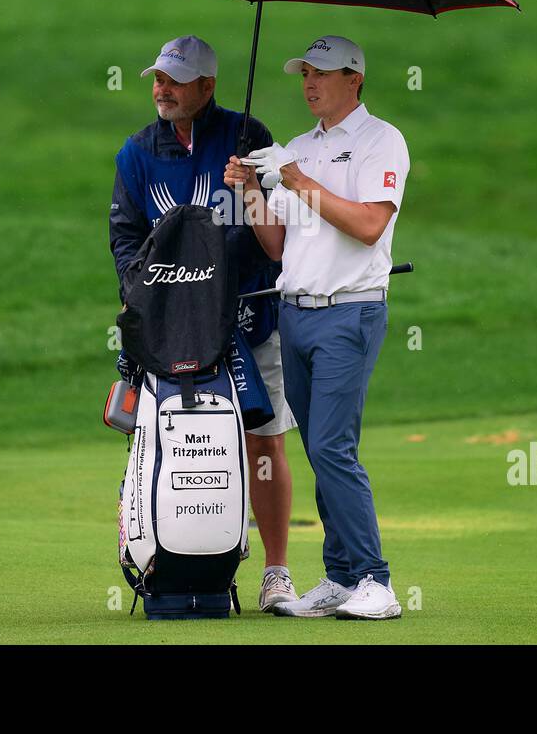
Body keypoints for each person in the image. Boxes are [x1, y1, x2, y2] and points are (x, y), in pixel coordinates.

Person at [109, 34, 300, 613]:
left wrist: (248, 185)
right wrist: (144, 302)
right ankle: (174, 560)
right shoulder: (137, 152)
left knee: (262, 442)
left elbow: (275, 241)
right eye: (157, 78)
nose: (160, 89)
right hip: (171, 330)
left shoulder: (249, 137)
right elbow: (125, 240)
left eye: (174, 80)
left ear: (207, 87)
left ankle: (274, 572)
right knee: (169, 437)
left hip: (249, 316)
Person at [225, 35, 409, 620]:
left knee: (332, 446)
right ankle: (339, 576)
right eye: (305, 73)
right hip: (296, 315)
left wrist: (295, 177)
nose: (309, 83)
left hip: (349, 311)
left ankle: (375, 579)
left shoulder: (382, 142)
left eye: (322, 73)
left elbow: (368, 226)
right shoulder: (299, 148)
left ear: (354, 78)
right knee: (317, 447)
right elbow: (277, 243)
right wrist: (252, 191)